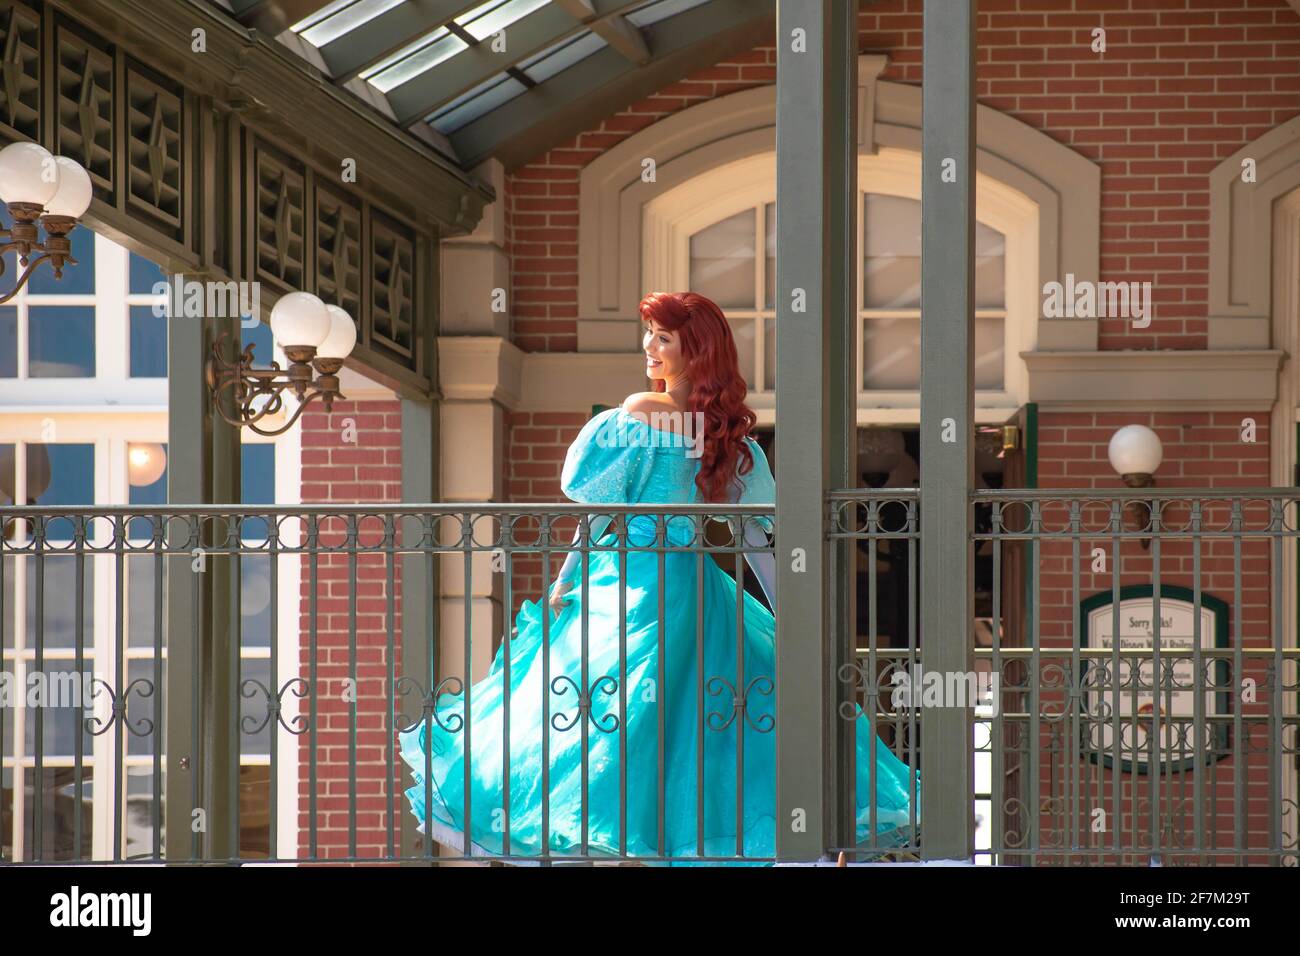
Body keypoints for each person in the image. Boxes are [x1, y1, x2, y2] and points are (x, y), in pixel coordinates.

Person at [398, 291, 919, 864]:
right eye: (648, 333)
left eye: (663, 337)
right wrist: (786, 614)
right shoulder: (730, 440)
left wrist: (564, 579)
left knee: (601, 734)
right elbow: (752, 540)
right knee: (704, 737)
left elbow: (599, 515)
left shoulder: (642, 412)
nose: (649, 346)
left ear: (696, 351)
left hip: (629, 591)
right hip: (696, 593)